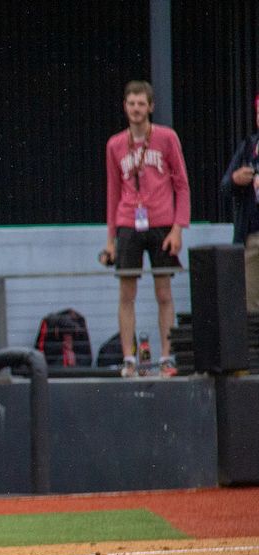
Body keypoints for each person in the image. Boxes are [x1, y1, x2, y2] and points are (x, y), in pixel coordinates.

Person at [103, 80, 191, 378]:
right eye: (131, 104)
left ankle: (167, 356)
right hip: (129, 222)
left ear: (151, 106)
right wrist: (111, 240)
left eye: (142, 104)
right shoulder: (115, 144)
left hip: (162, 222)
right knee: (126, 291)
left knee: (163, 291)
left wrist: (178, 228)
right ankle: (129, 358)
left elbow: (181, 183)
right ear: (125, 107)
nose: (136, 109)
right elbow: (113, 192)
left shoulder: (166, 138)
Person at [219, 91, 259, 312]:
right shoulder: (247, 148)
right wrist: (236, 179)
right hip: (252, 236)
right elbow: (225, 186)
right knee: (250, 305)